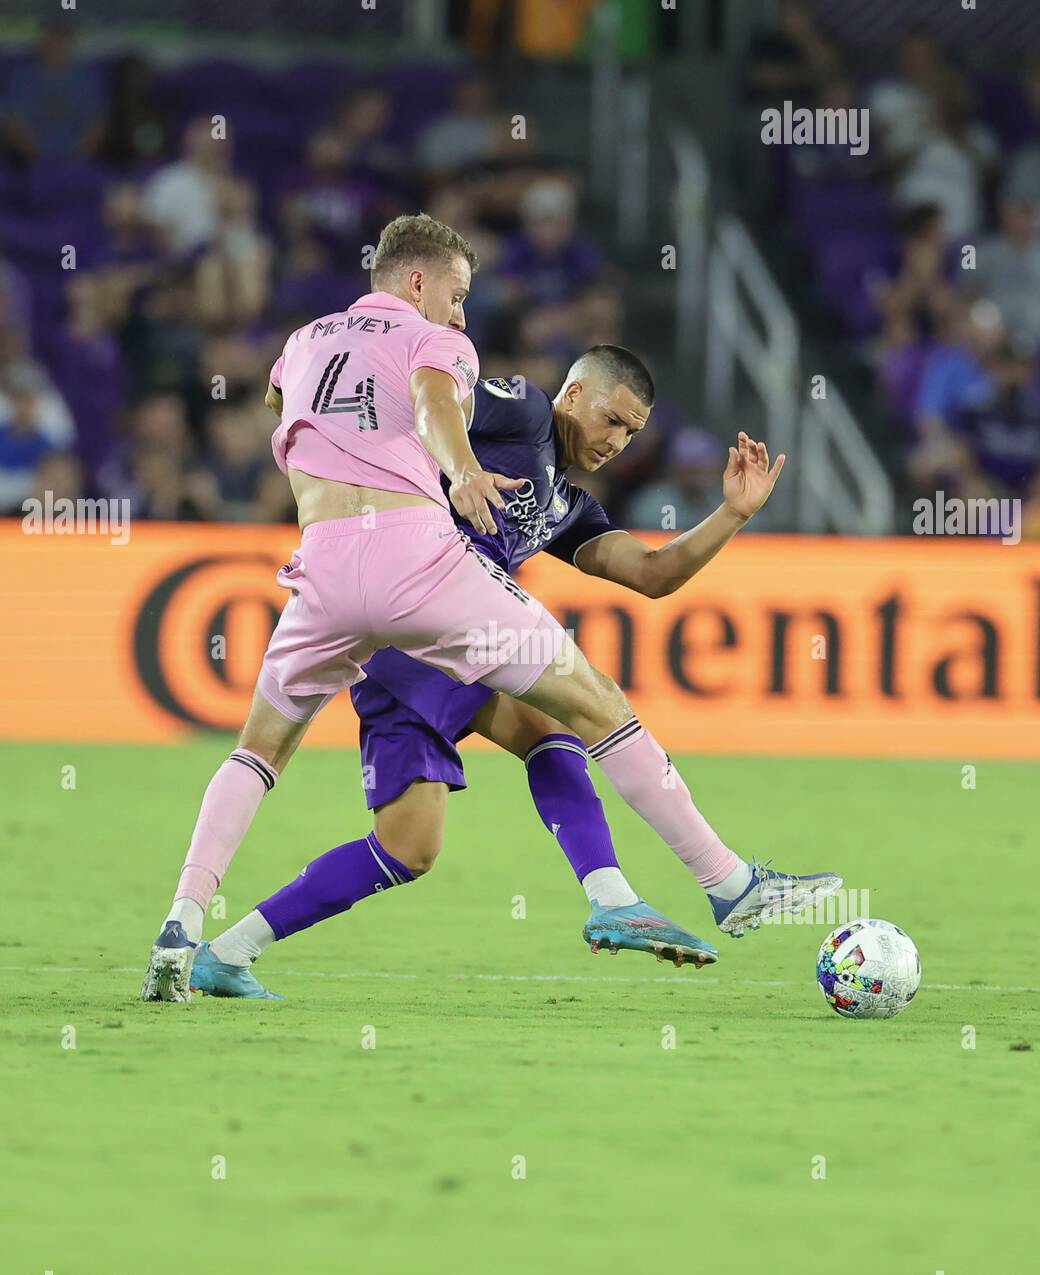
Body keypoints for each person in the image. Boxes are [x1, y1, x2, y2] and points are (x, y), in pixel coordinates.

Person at [141, 212, 841, 1002]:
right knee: (593, 707)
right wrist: (462, 470)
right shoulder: (522, 404)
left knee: (384, 819)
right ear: (419, 281)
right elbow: (441, 398)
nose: (617, 441)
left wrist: (733, 515)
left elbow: (650, 574)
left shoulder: (316, 347)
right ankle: (723, 885)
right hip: (421, 586)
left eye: (632, 433)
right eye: (611, 418)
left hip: (336, 577)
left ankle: (197, 936)